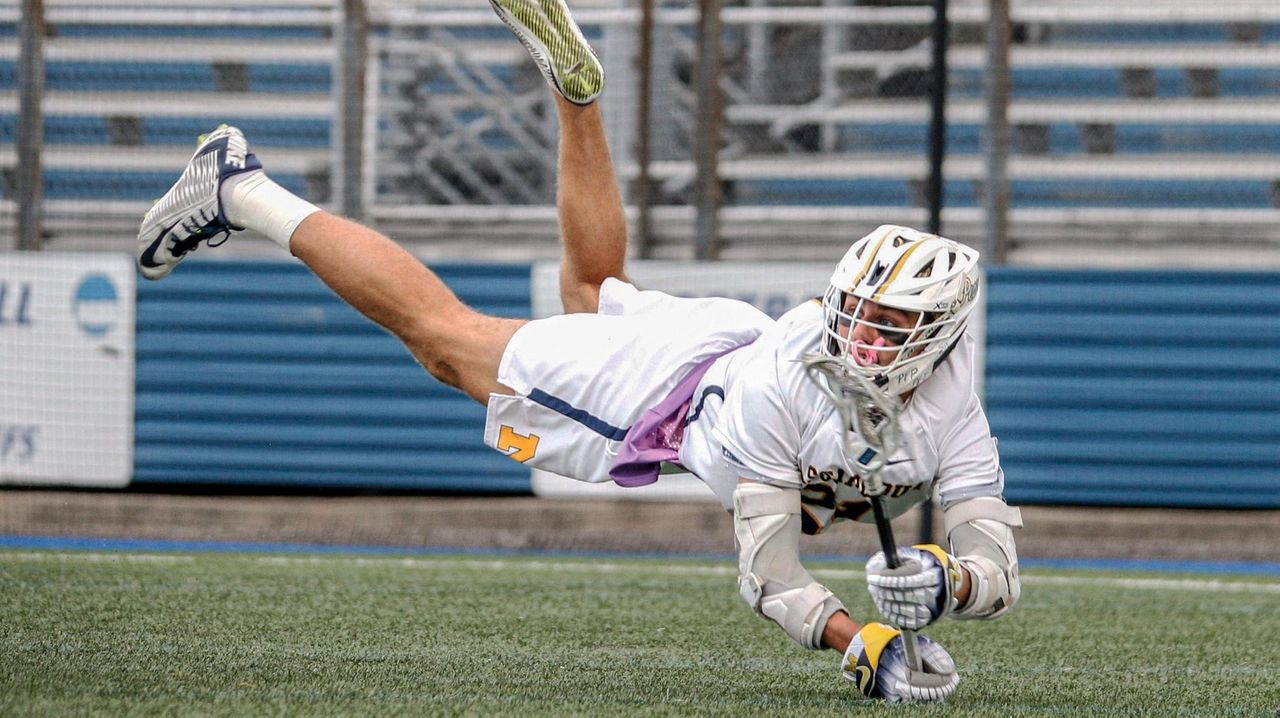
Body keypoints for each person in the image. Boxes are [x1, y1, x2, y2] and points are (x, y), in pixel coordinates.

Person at [136, 0, 1022, 703]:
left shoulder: (955, 408)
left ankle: (576, 90)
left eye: (886, 327)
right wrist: (864, 644)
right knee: (448, 346)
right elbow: (770, 575)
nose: (858, 339)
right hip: (677, 393)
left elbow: (998, 565)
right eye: (853, 312)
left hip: (722, 336)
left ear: (939, 340)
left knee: (592, 292)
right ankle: (244, 191)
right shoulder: (787, 388)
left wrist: (950, 584)